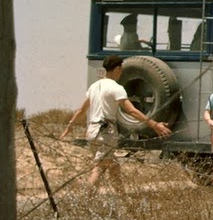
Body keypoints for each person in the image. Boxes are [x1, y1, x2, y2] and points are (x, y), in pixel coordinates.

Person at [60, 54, 172, 190]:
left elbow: (81, 110)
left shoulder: (94, 86)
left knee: (113, 166)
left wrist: (70, 126)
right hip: (105, 133)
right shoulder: (116, 88)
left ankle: (123, 199)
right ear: (117, 68)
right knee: (99, 168)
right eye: (121, 69)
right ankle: (85, 198)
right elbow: (132, 111)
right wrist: (154, 125)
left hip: (92, 132)